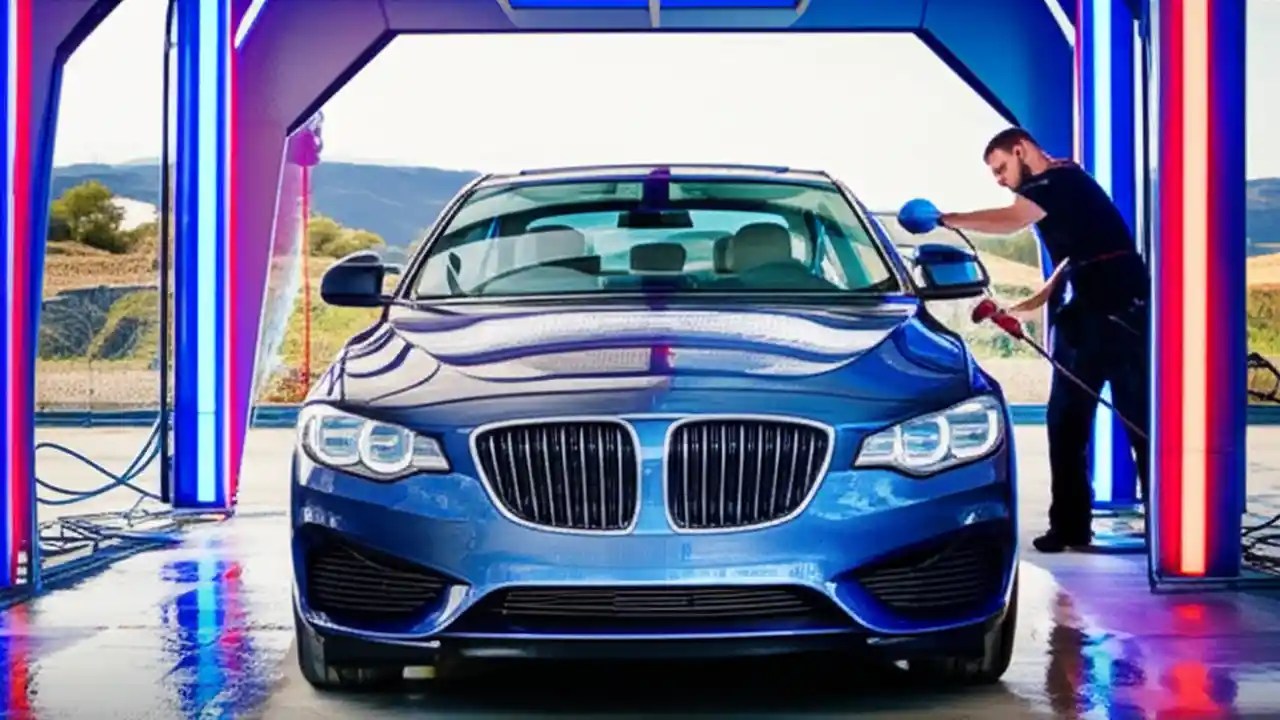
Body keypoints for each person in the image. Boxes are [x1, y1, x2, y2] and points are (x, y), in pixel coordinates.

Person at [938, 127, 1152, 553]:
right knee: (1065, 425)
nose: (999, 179)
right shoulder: (1066, 191)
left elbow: (1011, 220)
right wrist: (1019, 308)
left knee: (1139, 423)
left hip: (1120, 318)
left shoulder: (1057, 182)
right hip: (1085, 319)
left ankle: (1167, 523)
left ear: (1021, 150)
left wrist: (949, 220)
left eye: (1001, 168)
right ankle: (1070, 526)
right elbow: (1068, 267)